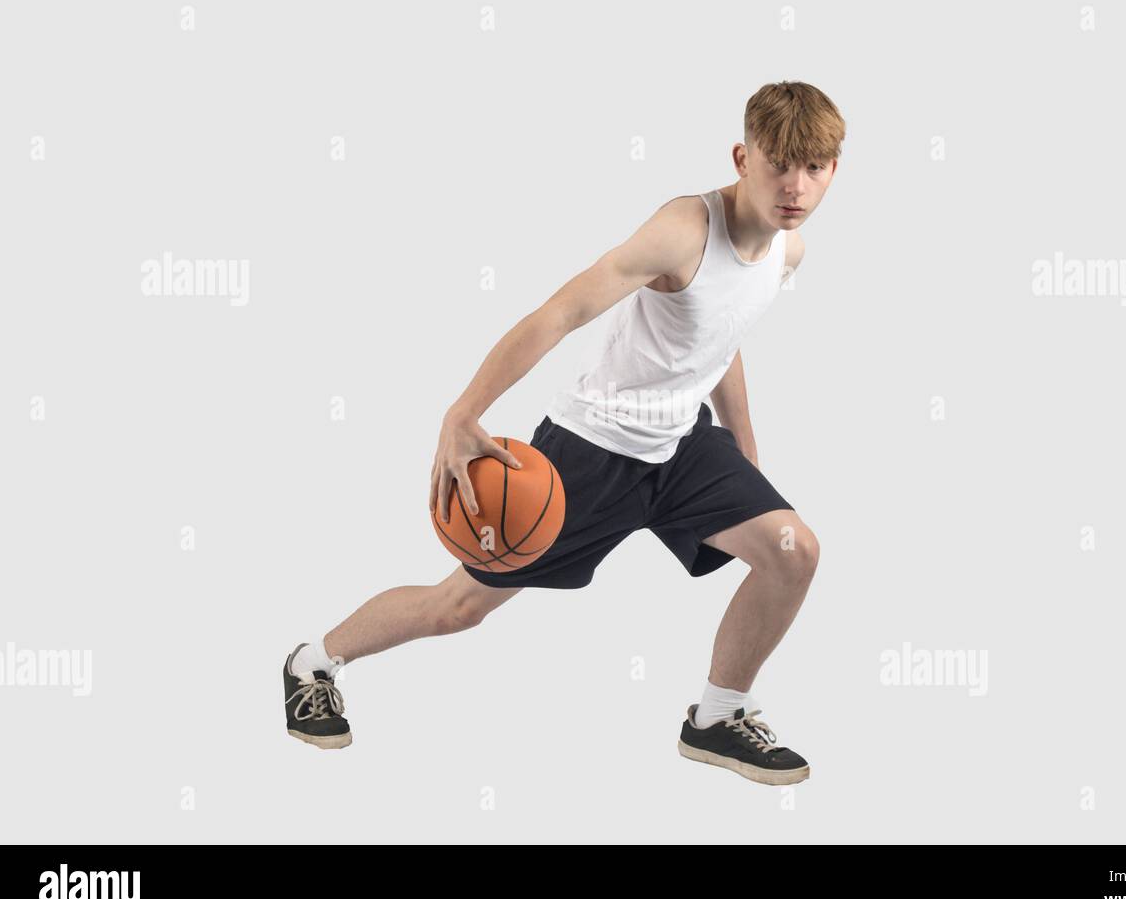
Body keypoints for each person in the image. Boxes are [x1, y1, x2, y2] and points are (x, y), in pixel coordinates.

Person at [283, 81, 843, 785]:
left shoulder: (788, 252)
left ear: (833, 170)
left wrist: (745, 446)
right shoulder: (684, 230)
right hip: (593, 451)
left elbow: (720, 337)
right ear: (741, 156)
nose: (795, 184)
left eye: (814, 166)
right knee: (458, 608)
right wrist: (462, 413)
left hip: (684, 447)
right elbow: (561, 312)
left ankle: (718, 717)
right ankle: (314, 661)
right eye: (779, 162)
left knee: (794, 553)